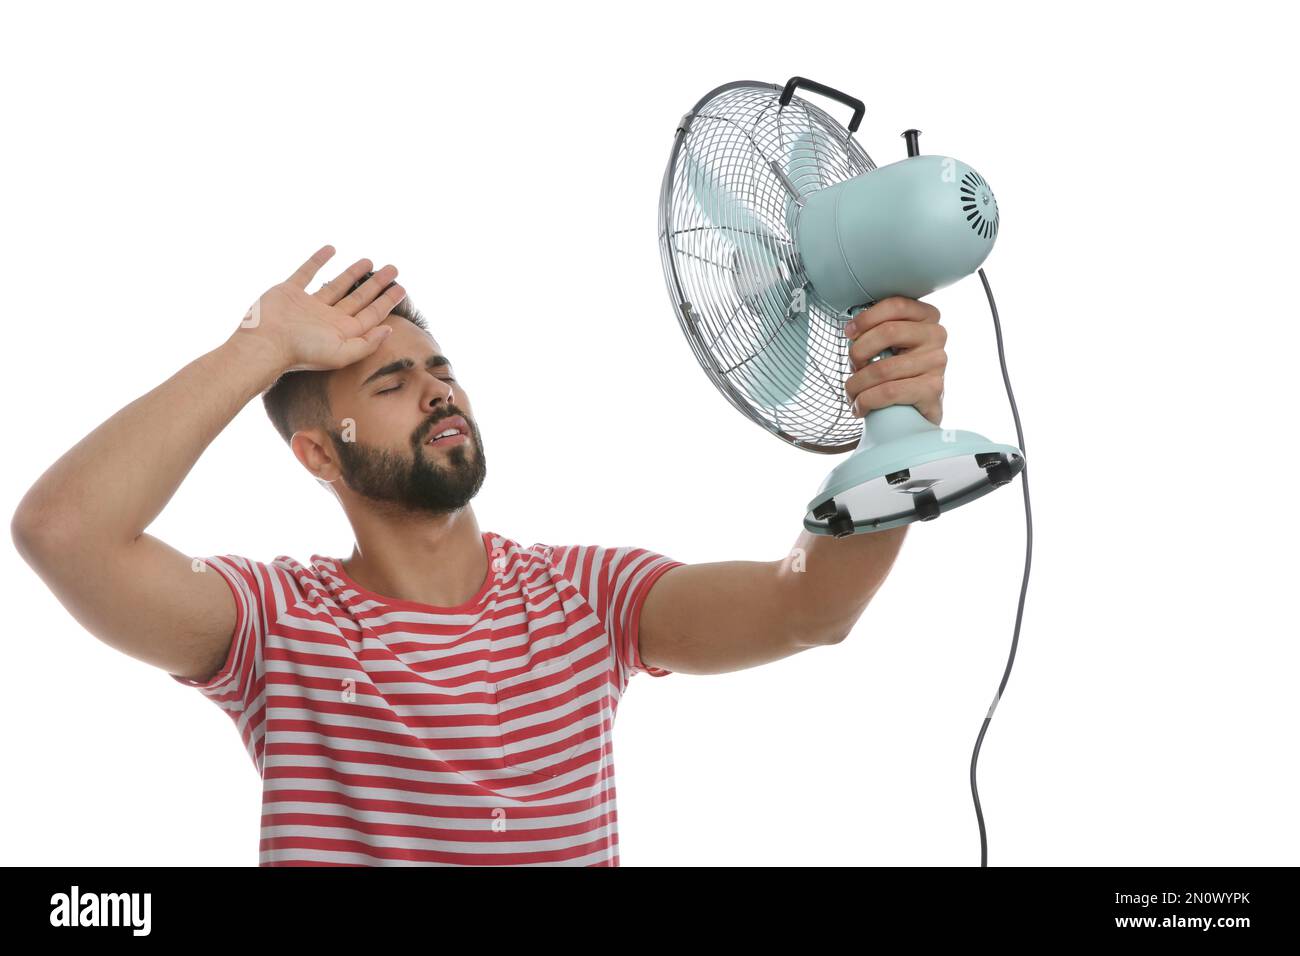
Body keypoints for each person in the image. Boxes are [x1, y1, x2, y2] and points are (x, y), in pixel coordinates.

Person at [10, 244, 949, 866]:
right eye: (389, 380)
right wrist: (261, 348)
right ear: (317, 453)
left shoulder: (589, 595)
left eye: (440, 369)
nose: (433, 391)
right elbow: (63, 532)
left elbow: (809, 608)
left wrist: (896, 434)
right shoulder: (275, 625)